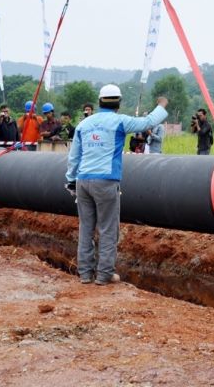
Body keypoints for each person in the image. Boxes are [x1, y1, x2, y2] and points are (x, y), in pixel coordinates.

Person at [65, 84, 168, 285]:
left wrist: (70, 180)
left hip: (83, 180)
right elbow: (148, 121)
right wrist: (162, 105)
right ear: (118, 103)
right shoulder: (120, 122)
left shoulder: (84, 124)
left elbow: (74, 156)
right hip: (105, 181)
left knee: (86, 227)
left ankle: (85, 274)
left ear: (99, 102)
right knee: (107, 229)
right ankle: (104, 275)